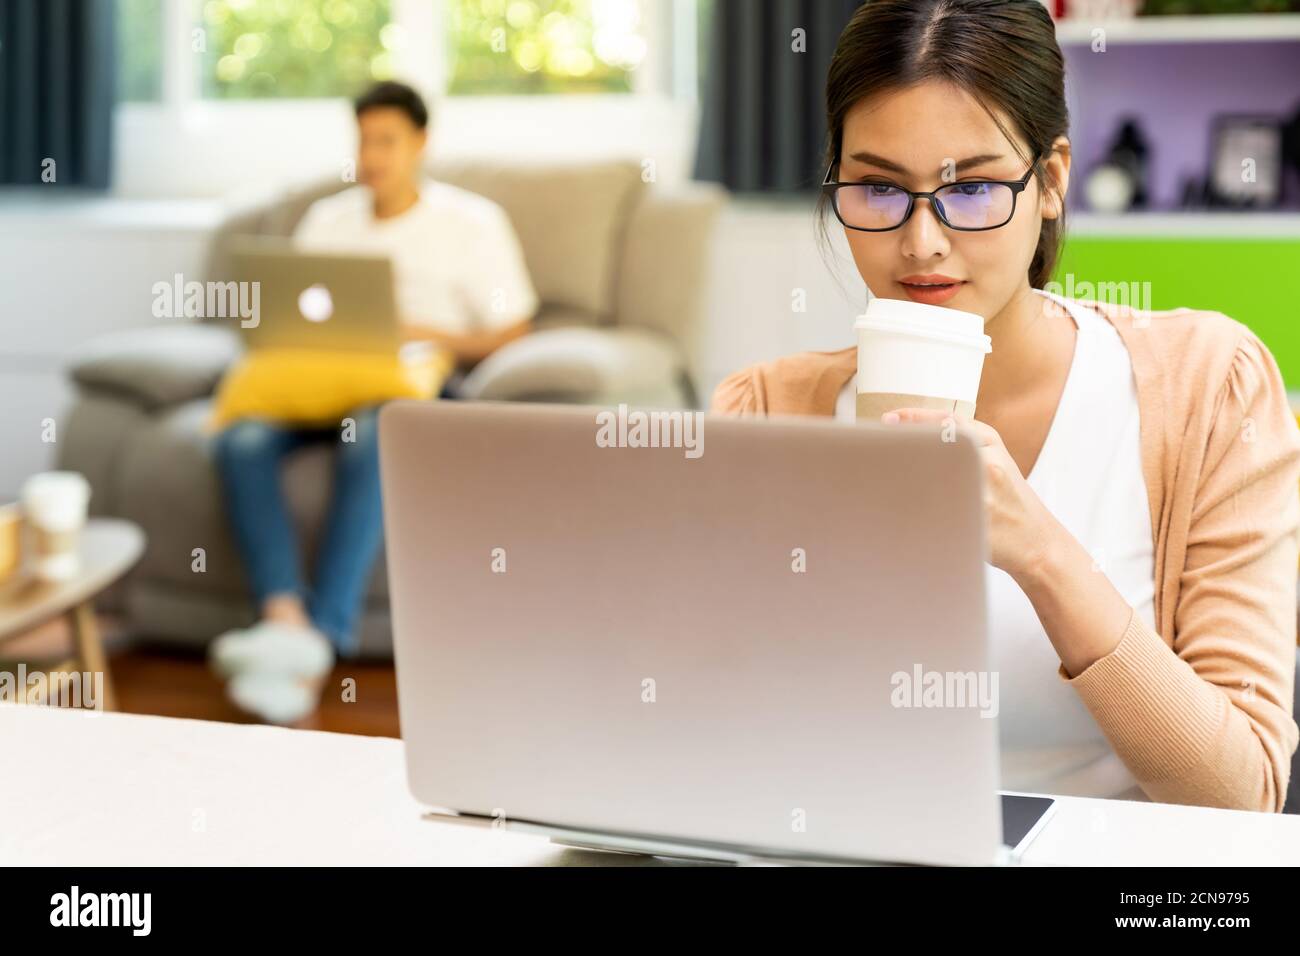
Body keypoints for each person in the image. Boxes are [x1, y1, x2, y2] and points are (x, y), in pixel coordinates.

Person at [712, 0, 1300, 812]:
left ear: (1051, 181)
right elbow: (713, 745)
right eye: (879, 189)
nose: (921, 241)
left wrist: (1041, 552)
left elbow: (1242, 796)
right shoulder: (764, 411)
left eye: (975, 188)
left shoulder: (1209, 388)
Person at [210, 81, 538, 724]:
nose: (372, 155)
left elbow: (511, 332)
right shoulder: (328, 220)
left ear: (421, 143)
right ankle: (283, 617)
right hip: (320, 380)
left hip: (409, 382)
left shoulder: (470, 224)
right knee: (239, 439)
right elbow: (287, 316)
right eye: (363, 139)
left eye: (386, 140)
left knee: (373, 432)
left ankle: (319, 638)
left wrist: (418, 331)